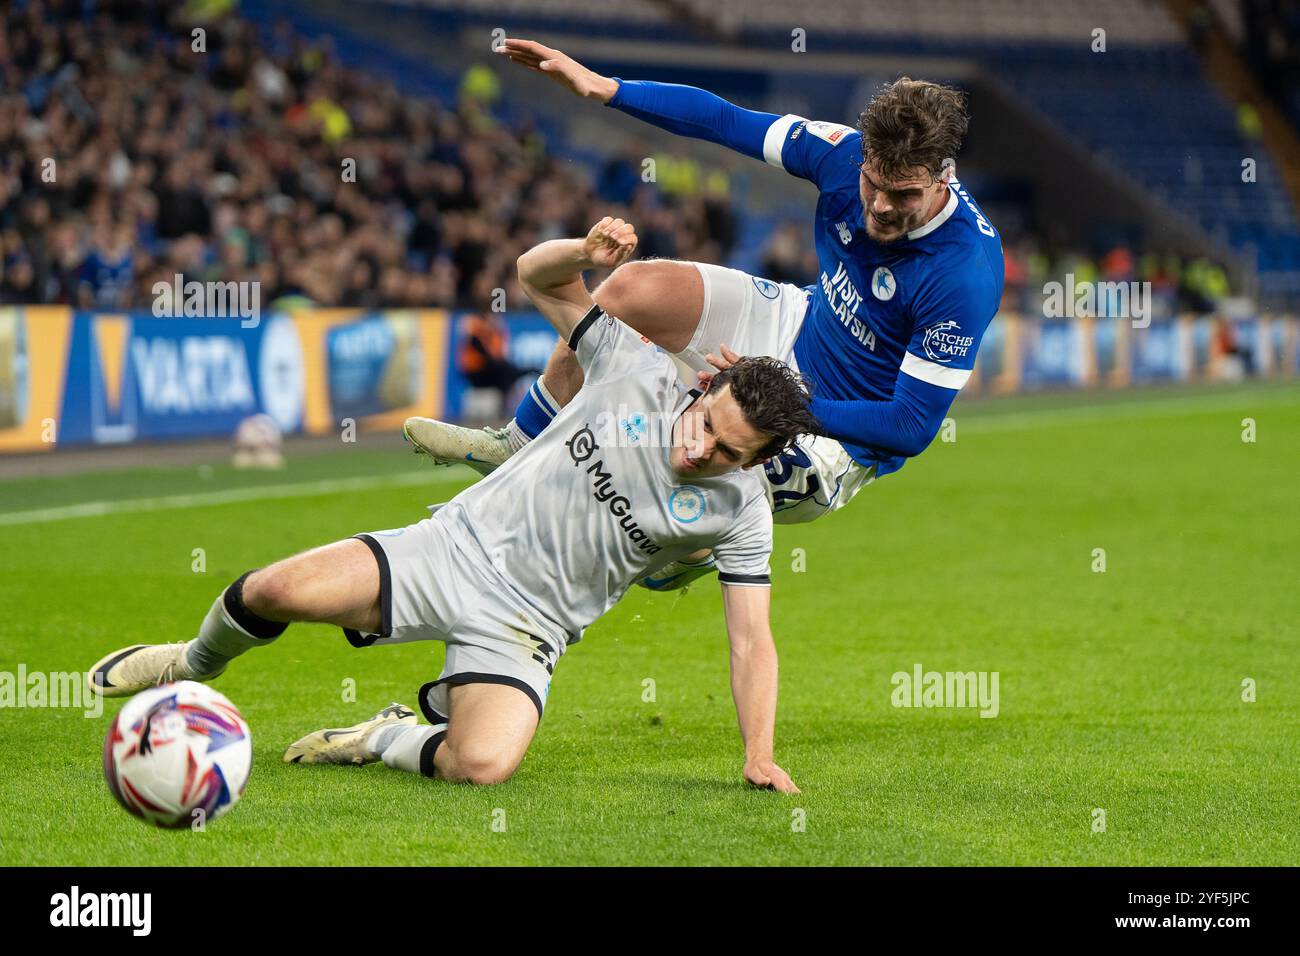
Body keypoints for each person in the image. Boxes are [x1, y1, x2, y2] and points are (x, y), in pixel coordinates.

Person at [86, 218, 819, 793]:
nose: (701, 452)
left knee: (482, 767)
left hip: (531, 627)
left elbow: (753, 640)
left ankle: (381, 737)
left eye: (727, 453)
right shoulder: (634, 368)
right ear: (702, 390)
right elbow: (535, 276)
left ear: (757, 463)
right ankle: (188, 662)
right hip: (452, 549)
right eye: (705, 426)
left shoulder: (743, 511)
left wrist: (760, 754)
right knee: (272, 590)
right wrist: (584, 250)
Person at [407, 40, 1005, 590]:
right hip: (795, 323)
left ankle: (685, 544)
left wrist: (778, 405)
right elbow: (723, 119)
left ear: (943, 178)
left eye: (902, 196)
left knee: (674, 455)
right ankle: (518, 443)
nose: (878, 205)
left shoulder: (963, 274)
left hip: (833, 439)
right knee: (633, 289)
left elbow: (909, 427)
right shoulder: (840, 154)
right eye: (874, 183)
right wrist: (605, 88)